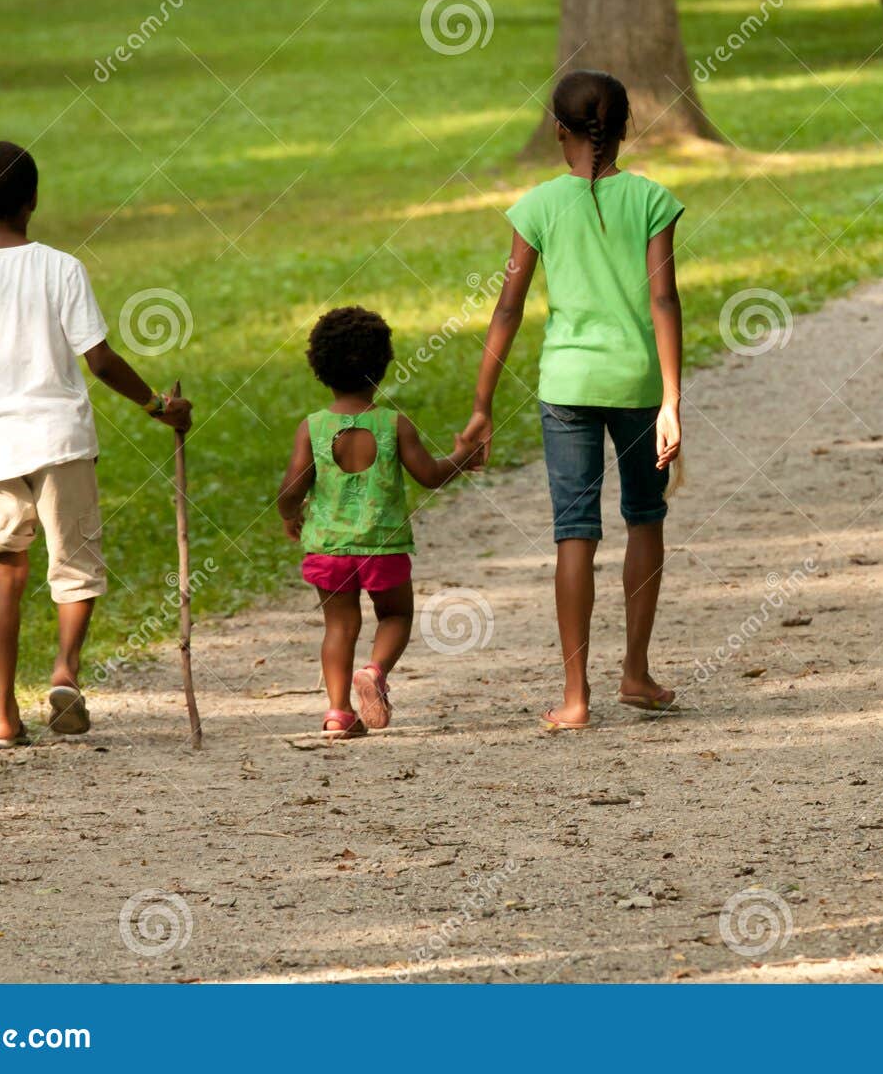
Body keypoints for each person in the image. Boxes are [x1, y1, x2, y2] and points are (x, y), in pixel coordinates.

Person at [0, 140, 192, 748]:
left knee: (4, 576)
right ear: (33, 201)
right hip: (61, 440)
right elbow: (101, 360)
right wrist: (156, 407)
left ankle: (4, 717)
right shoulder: (60, 266)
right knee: (76, 568)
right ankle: (65, 670)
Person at [461, 69, 684, 732]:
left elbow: (508, 306)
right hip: (638, 384)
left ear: (559, 130)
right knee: (646, 517)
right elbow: (664, 298)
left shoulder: (536, 206)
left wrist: (482, 403)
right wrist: (672, 397)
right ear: (624, 130)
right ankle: (636, 673)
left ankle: (575, 696)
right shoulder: (652, 198)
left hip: (566, 386)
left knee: (574, 532)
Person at [277, 307, 483, 736]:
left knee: (339, 625)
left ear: (318, 367)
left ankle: (338, 713)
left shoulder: (312, 428)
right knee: (396, 616)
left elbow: (291, 488)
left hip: (329, 549)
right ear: (383, 365)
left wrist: (289, 514)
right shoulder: (394, 424)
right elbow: (429, 476)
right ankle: (374, 671)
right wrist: (463, 457)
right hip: (383, 547)